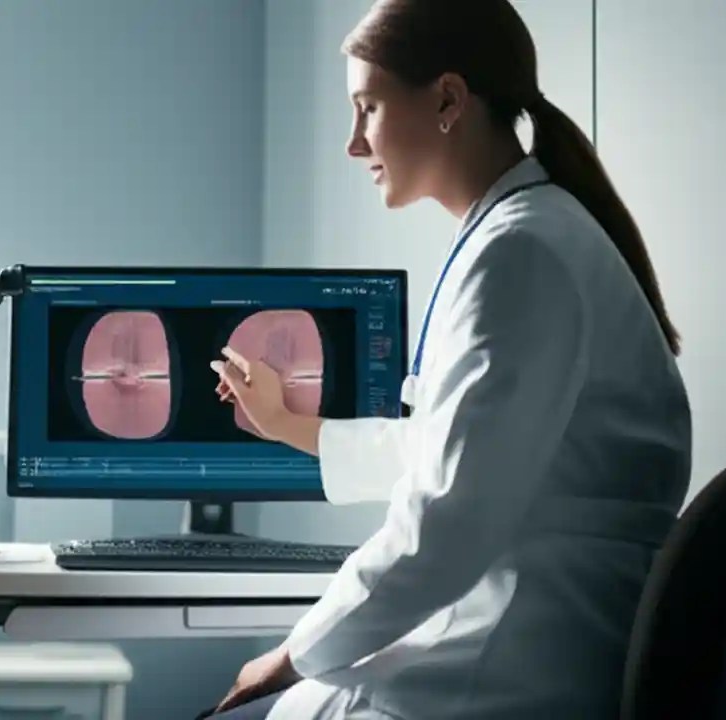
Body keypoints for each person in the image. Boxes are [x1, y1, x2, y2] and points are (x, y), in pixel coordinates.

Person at [207, 0, 691, 718]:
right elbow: (463, 452)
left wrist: (293, 651)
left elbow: (447, 518)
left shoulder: (521, 253)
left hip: (519, 647)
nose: (352, 143)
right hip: (530, 626)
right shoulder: (523, 235)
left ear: (447, 99)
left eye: (366, 108)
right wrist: (296, 428)